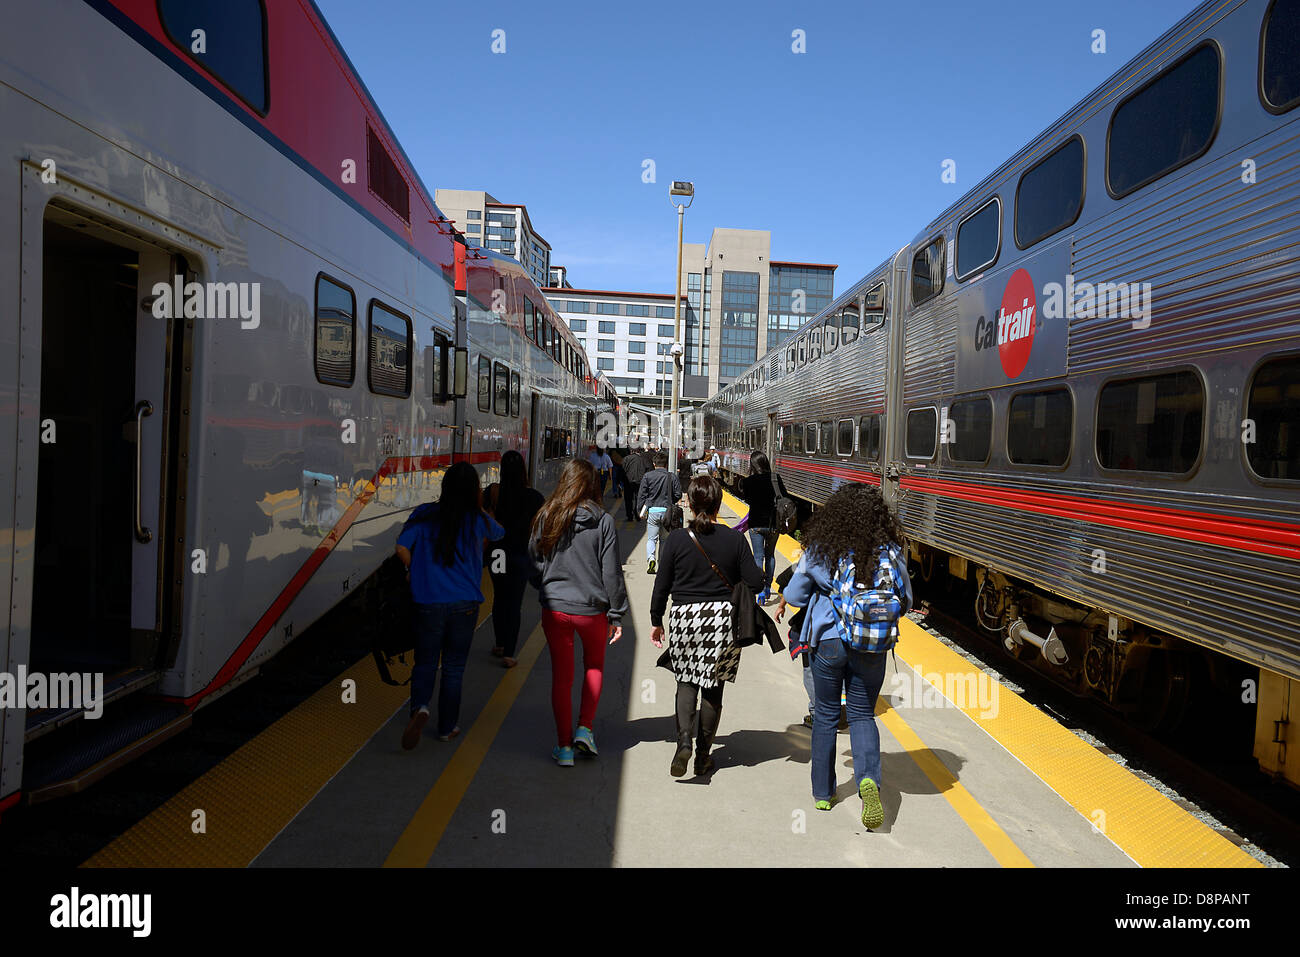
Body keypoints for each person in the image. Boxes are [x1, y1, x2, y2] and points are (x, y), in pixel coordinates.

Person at [782, 483, 912, 828]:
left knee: (825, 715)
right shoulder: (889, 549)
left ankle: (823, 794)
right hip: (870, 643)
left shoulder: (823, 547)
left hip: (827, 640)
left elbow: (794, 595)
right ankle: (868, 780)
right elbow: (907, 601)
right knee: (861, 714)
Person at [650, 476, 764, 777]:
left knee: (686, 681)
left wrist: (655, 620)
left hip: (685, 617)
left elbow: (662, 584)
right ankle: (703, 756)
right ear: (717, 503)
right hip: (722, 620)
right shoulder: (735, 540)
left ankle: (683, 741)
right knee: (713, 686)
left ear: (689, 502)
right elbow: (754, 581)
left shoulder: (676, 539)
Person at [395, 461, 504, 750]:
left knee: (425, 662)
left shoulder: (424, 514)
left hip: (427, 600)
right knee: (454, 667)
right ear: (473, 491)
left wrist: (412, 569)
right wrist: (478, 507)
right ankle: (446, 728)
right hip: (464, 604)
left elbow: (401, 547)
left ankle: (419, 708)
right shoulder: (476, 518)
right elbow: (499, 533)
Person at [530, 459, 629, 767]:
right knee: (594, 667)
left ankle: (563, 748)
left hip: (556, 609)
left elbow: (532, 560)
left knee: (562, 677)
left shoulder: (546, 515)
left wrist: (544, 587)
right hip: (592, 611)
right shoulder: (603, 521)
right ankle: (584, 729)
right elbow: (611, 572)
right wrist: (616, 614)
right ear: (592, 485)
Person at [485, 450, 544, 668]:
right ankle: (509, 653)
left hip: (498, 553)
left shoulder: (493, 491)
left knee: (499, 598)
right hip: (521, 555)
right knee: (514, 603)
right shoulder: (534, 497)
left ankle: (500, 643)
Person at [738, 452, 787, 605]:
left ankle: (759, 591)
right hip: (773, 524)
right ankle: (767, 587)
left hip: (756, 525)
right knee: (770, 555)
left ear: (752, 464)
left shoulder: (748, 481)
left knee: (758, 557)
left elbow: (747, 499)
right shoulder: (775, 478)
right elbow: (784, 495)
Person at [635, 451, 682, 573]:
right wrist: (671, 500)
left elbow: (642, 495)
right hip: (667, 512)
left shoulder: (647, 476)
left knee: (651, 539)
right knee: (664, 540)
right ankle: (662, 564)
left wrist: (640, 510)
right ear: (666, 464)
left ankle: (651, 559)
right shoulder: (672, 476)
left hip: (652, 511)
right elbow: (678, 494)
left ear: (654, 464)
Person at [621, 445, 649, 522]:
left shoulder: (626, 458)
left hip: (628, 482)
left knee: (628, 499)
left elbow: (622, 470)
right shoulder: (643, 459)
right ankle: (637, 515)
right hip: (640, 482)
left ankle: (629, 516)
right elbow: (648, 470)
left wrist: (620, 481)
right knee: (639, 498)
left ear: (631, 451)